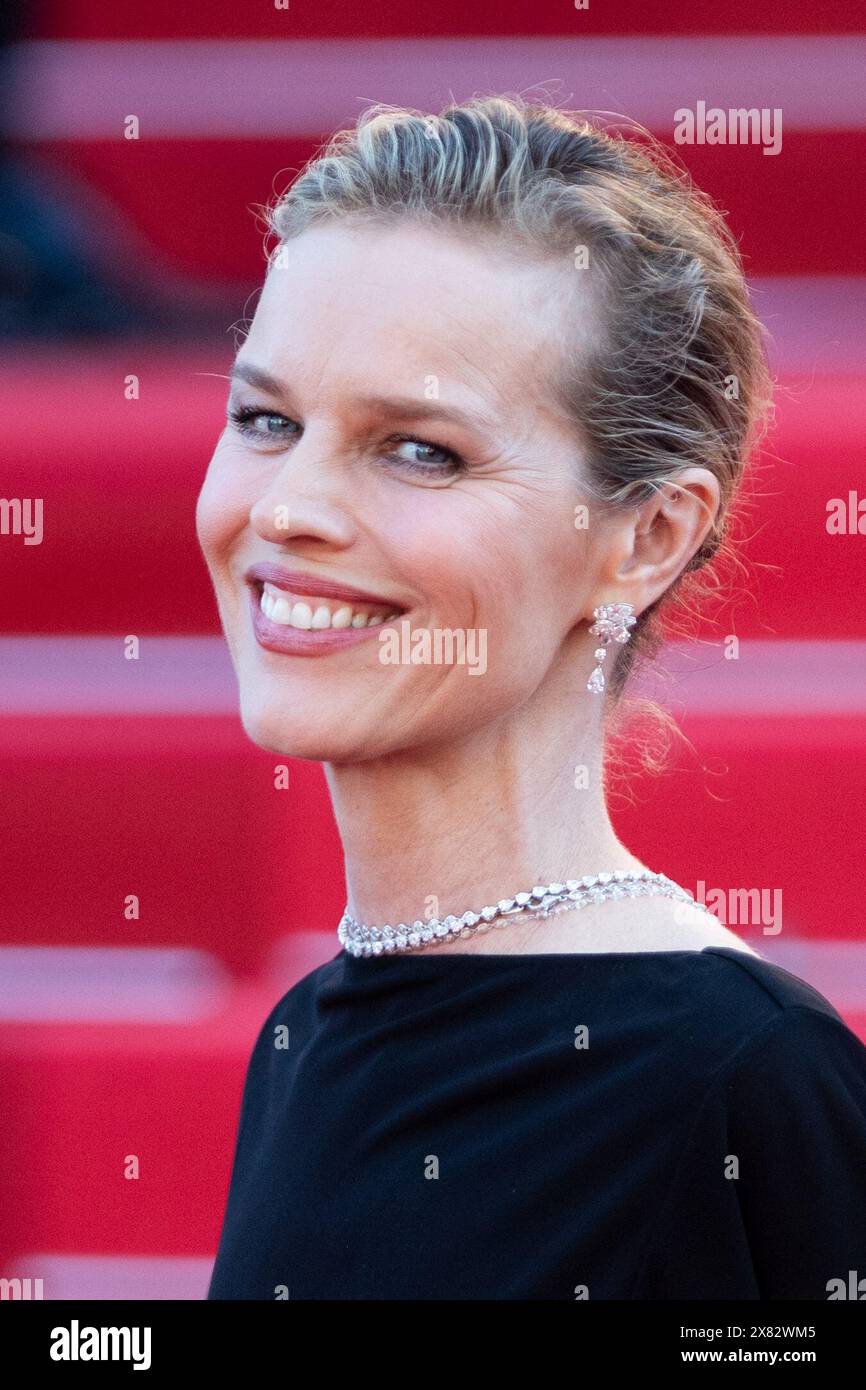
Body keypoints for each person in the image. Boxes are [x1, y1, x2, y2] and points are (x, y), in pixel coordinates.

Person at [198, 95, 866, 1299]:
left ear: (645, 537)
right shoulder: (302, 1037)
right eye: (265, 418)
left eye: (419, 448)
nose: (286, 506)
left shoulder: (742, 1075)